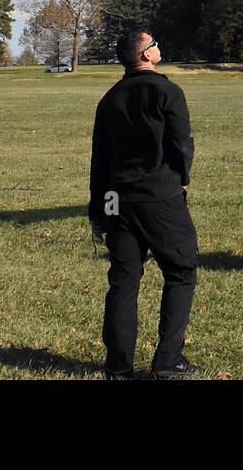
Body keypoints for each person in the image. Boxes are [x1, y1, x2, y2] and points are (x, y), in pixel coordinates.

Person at [89, 30, 200, 379]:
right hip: (160, 198)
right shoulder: (168, 92)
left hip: (116, 200)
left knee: (123, 281)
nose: (158, 47)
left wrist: (98, 209)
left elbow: (99, 159)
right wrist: (183, 177)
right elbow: (181, 145)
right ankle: (168, 362)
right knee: (181, 273)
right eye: (155, 43)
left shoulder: (109, 99)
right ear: (146, 55)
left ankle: (117, 368)